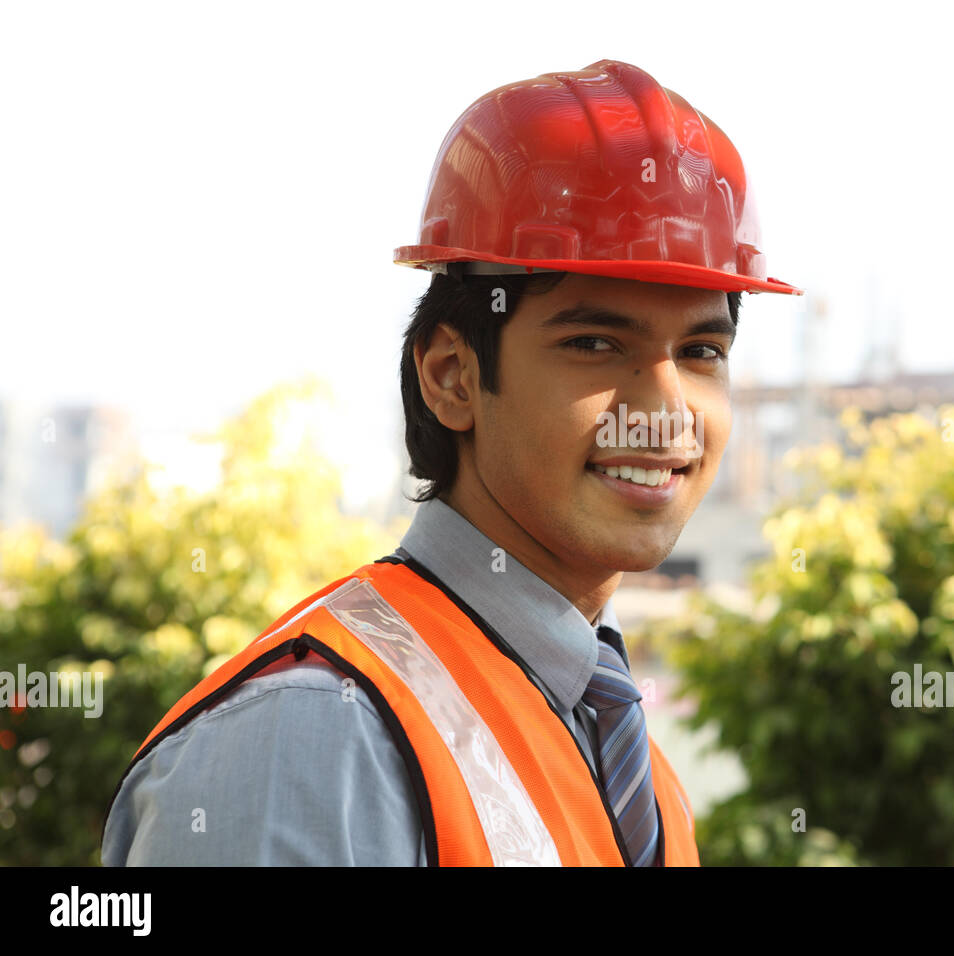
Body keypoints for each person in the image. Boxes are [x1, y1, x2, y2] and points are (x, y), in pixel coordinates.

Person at [101, 58, 800, 866]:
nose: (665, 409)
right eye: (594, 343)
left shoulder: (641, 777)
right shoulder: (316, 736)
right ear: (452, 376)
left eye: (702, 350)